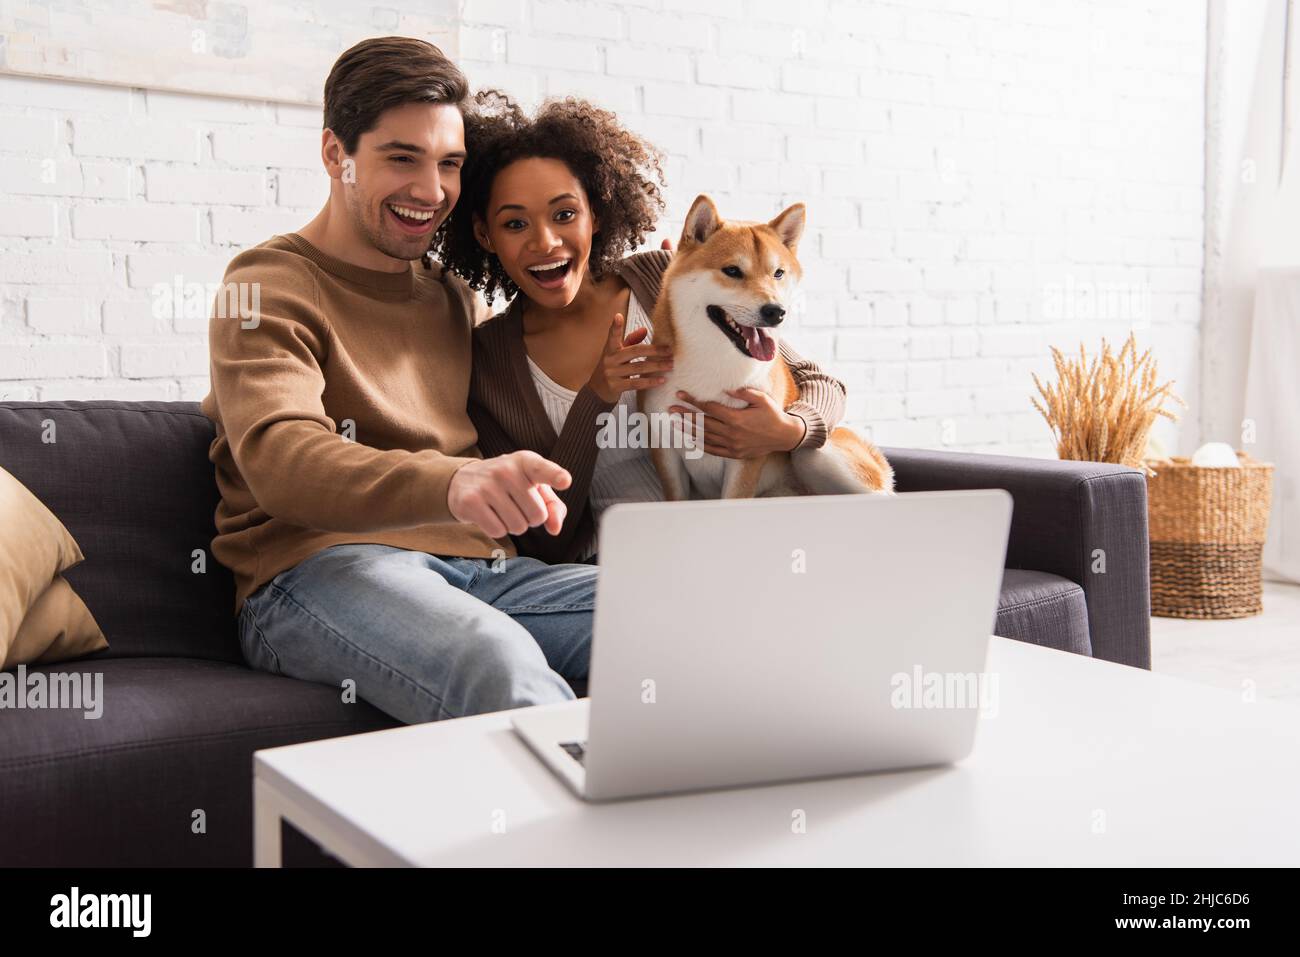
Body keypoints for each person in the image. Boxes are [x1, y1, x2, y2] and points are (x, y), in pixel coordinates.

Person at [200, 38, 597, 725]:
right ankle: (600, 832)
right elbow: (282, 460)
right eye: (401, 158)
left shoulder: (449, 297)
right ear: (335, 154)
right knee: (494, 659)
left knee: (677, 613)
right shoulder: (267, 285)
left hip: (484, 572)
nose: (431, 190)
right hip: (318, 572)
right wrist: (449, 482)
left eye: (449, 164)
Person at [434, 93, 848, 564]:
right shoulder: (491, 360)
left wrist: (787, 431)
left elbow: (818, 384)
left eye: (565, 214)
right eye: (514, 223)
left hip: (730, 547)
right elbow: (544, 537)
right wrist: (597, 395)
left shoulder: (659, 279)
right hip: (612, 568)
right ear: (485, 235)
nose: (545, 241)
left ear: (597, 215)